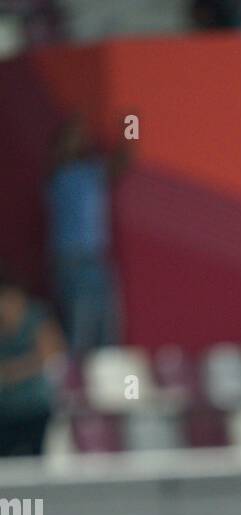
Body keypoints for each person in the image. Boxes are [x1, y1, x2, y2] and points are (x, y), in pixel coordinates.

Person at [45, 114, 128, 355]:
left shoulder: (92, 172)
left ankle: (106, 391)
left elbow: (121, 161)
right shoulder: (56, 174)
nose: (79, 139)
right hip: (70, 264)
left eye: (82, 136)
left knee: (108, 340)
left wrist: (129, 129)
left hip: (97, 261)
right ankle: (73, 391)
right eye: (73, 135)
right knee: (78, 337)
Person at [0, 274, 65, 458]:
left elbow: (51, 353)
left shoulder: (35, 318)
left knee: (36, 459)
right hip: (5, 409)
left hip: (35, 407)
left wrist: (12, 371)